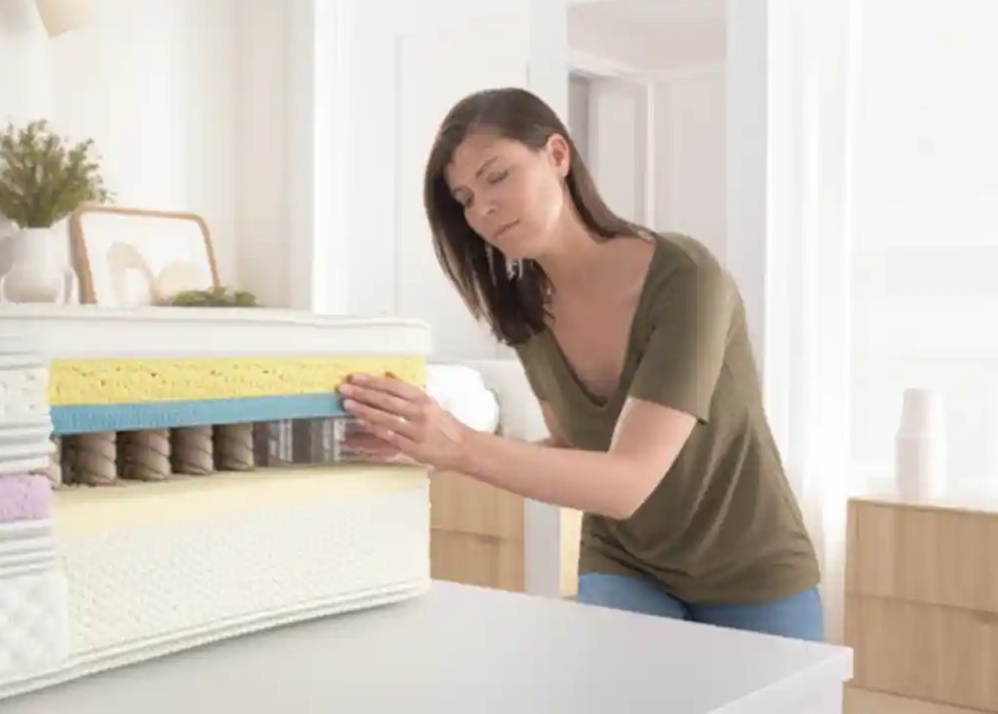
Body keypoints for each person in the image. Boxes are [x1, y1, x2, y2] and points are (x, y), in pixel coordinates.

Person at [337, 87, 823, 642]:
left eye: (498, 176)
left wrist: (460, 445)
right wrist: (432, 451)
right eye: (466, 199)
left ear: (558, 156)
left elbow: (628, 479)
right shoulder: (524, 312)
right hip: (627, 560)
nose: (483, 209)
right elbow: (574, 450)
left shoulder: (687, 278)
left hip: (751, 567)